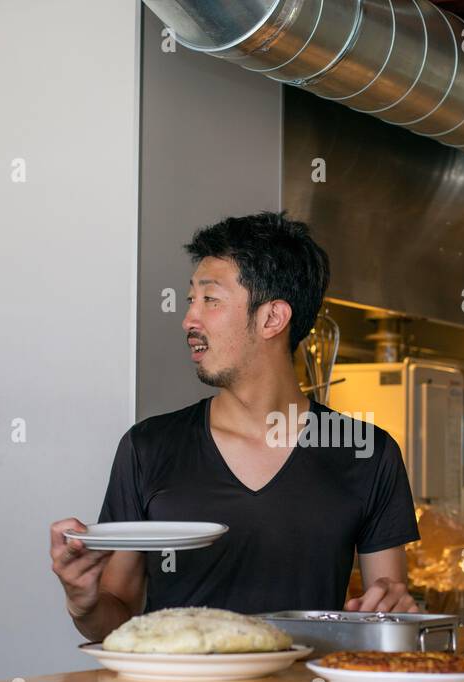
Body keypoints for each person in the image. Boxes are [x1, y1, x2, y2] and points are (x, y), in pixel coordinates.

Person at [50, 212, 420, 641]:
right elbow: (116, 620)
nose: (189, 319)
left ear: (272, 319)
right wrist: (85, 603)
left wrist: (393, 608)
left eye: (210, 300)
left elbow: (388, 605)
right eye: (191, 300)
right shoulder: (147, 446)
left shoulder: (367, 452)